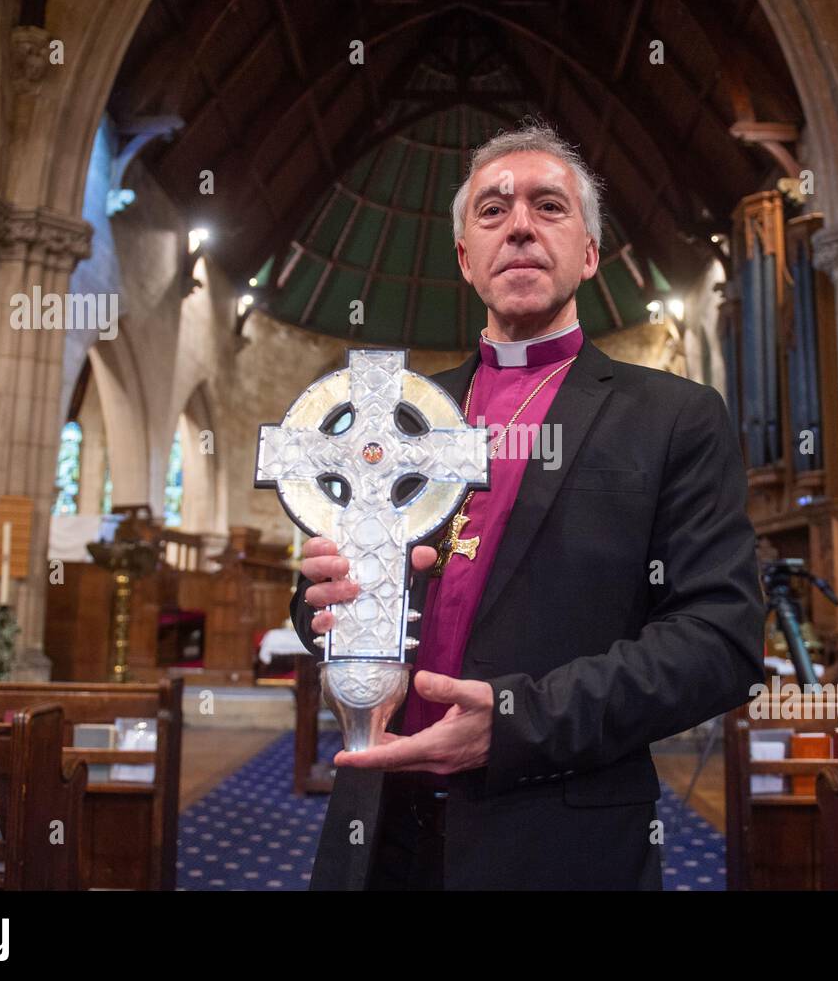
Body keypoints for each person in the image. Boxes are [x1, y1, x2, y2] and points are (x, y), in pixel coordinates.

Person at [290, 120, 764, 890]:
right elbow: (326, 606)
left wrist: (515, 722)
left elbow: (721, 644)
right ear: (465, 260)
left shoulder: (673, 416)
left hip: (558, 838)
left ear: (588, 253)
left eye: (549, 207)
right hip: (377, 827)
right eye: (492, 212)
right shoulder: (399, 412)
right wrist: (320, 596)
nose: (519, 227)